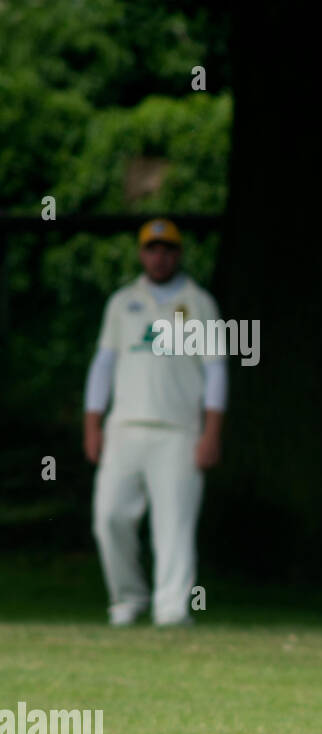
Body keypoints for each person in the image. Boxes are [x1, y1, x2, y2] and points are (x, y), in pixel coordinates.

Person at [83, 219, 226, 627]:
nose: (158, 256)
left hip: (179, 431)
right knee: (109, 517)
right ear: (141, 253)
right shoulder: (121, 302)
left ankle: (172, 609)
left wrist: (211, 431)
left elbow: (215, 370)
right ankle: (126, 599)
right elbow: (103, 364)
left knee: (175, 525)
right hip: (123, 428)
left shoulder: (199, 303)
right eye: (151, 249)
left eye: (166, 249)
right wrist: (92, 424)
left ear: (178, 254)